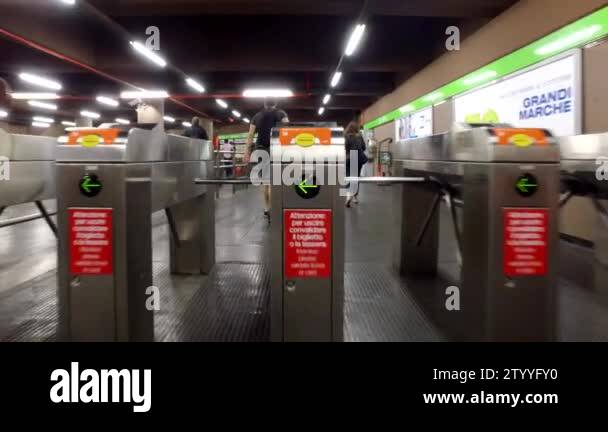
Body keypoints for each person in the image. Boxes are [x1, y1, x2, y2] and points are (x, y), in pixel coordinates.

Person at [246, 98, 289, 221]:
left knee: (265, 182)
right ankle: (275, 209)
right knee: (275, 181)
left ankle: (267, 208)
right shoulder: (281, 114)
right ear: (275, 103)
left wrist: (247, 152)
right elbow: (288, 131)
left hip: (261, 149)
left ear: (264, 104)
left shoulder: (256, 116)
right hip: (276, 149)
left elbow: (250, 135)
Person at [344, 119, 368, 208]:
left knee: (348, 176)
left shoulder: (346, 136)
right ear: (357, 128)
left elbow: (345, 148)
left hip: (349, 158)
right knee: (356, 177)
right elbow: (364, 147)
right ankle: (355, 197)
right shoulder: (359, 136)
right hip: (358, 158)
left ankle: (348, 195)